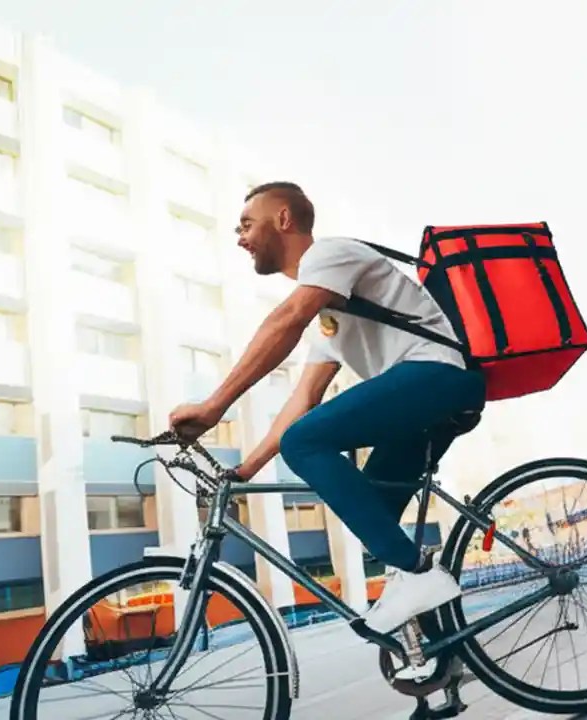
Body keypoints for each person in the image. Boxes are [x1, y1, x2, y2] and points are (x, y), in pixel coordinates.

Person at [168, 182, 486, 635]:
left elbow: (285, 321)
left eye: (246, 225)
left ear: (283, 219)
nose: (239, 238)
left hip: (437, 378)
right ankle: (442, 656)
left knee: (306, 443)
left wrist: (214, 406)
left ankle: (417, 576)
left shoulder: (331, 255)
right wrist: (248, 468)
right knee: (373, 516)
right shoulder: (329, 318)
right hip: (419, 407)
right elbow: (302, 401)